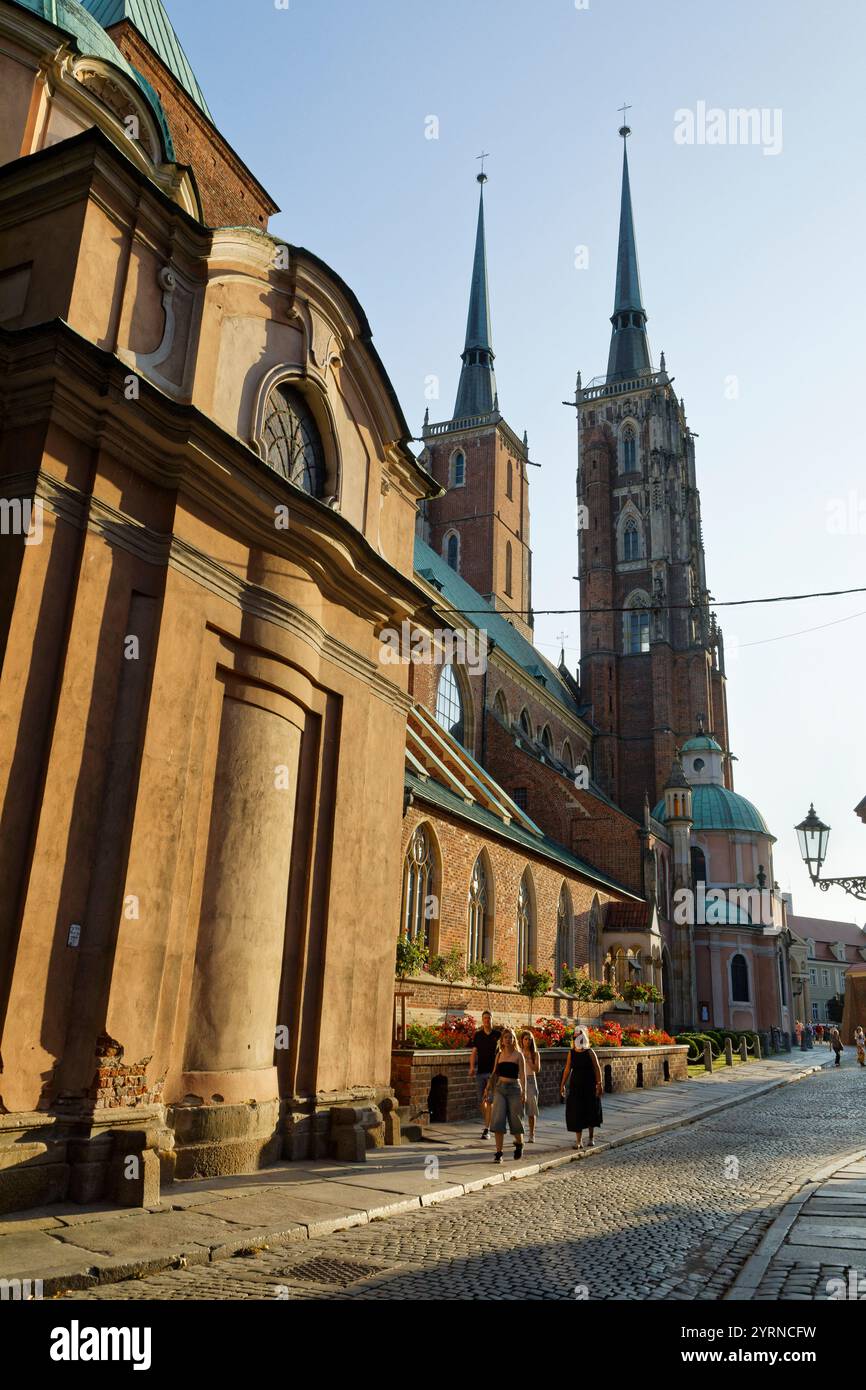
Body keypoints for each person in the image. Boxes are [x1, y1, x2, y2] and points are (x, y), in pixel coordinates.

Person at [483, 1027, 526, 1163]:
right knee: (498, 1120)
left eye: (510, 1037)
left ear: (514, 1040)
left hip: (514, 1090)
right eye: (505, 1037)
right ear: (502, 1040)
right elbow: (494, 1072)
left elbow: (523, 1075)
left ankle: (519, 1144)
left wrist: (524, 1092)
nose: (508, 1039)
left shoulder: (518, 1055)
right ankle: (499, 1153)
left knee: (515, 1121)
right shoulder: (499, 1055)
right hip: (500, 1089)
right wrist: (488, 1087)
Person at [560, 1026, 603, 1150]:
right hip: (576, 1086)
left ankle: (591, 1137)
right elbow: (567, 1069)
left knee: (591, 1110)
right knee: (576, 1112)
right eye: (574, 1037)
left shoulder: (590, 1052)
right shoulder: (571, 1052)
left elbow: (597, 1068)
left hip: (589, 1085)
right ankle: (578, 1141)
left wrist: (599, 1084)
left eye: (578, 1037)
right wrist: (562, 1084)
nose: (576, 1039)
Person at [468, 1010, 501, 1138]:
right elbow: (473, 1052)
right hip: (480, 1072)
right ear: (482, 1020)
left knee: (489, 1100)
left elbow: (502, 1052)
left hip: (493, 1073)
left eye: (489, 1018)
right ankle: (489, 1121)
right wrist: (472, 1067)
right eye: (485, 1018)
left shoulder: (498, 1035)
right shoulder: (478, 1035)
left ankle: (486, 1129)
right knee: (481, 1101)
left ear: (492, 1019)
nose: (487, 1020)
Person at [518, 1029, 541, 1142]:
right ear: (522, 1040)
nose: (528, 1041)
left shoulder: (535, 1054)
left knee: (531, 1110)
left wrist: (527, 1060)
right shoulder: (518, 1052)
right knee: (519, 1110)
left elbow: (537, 1069)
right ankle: (519, 1135)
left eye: (530, 1039)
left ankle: (532, 1134)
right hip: (520, 1081)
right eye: (526, 1039)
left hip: (531, 1080)